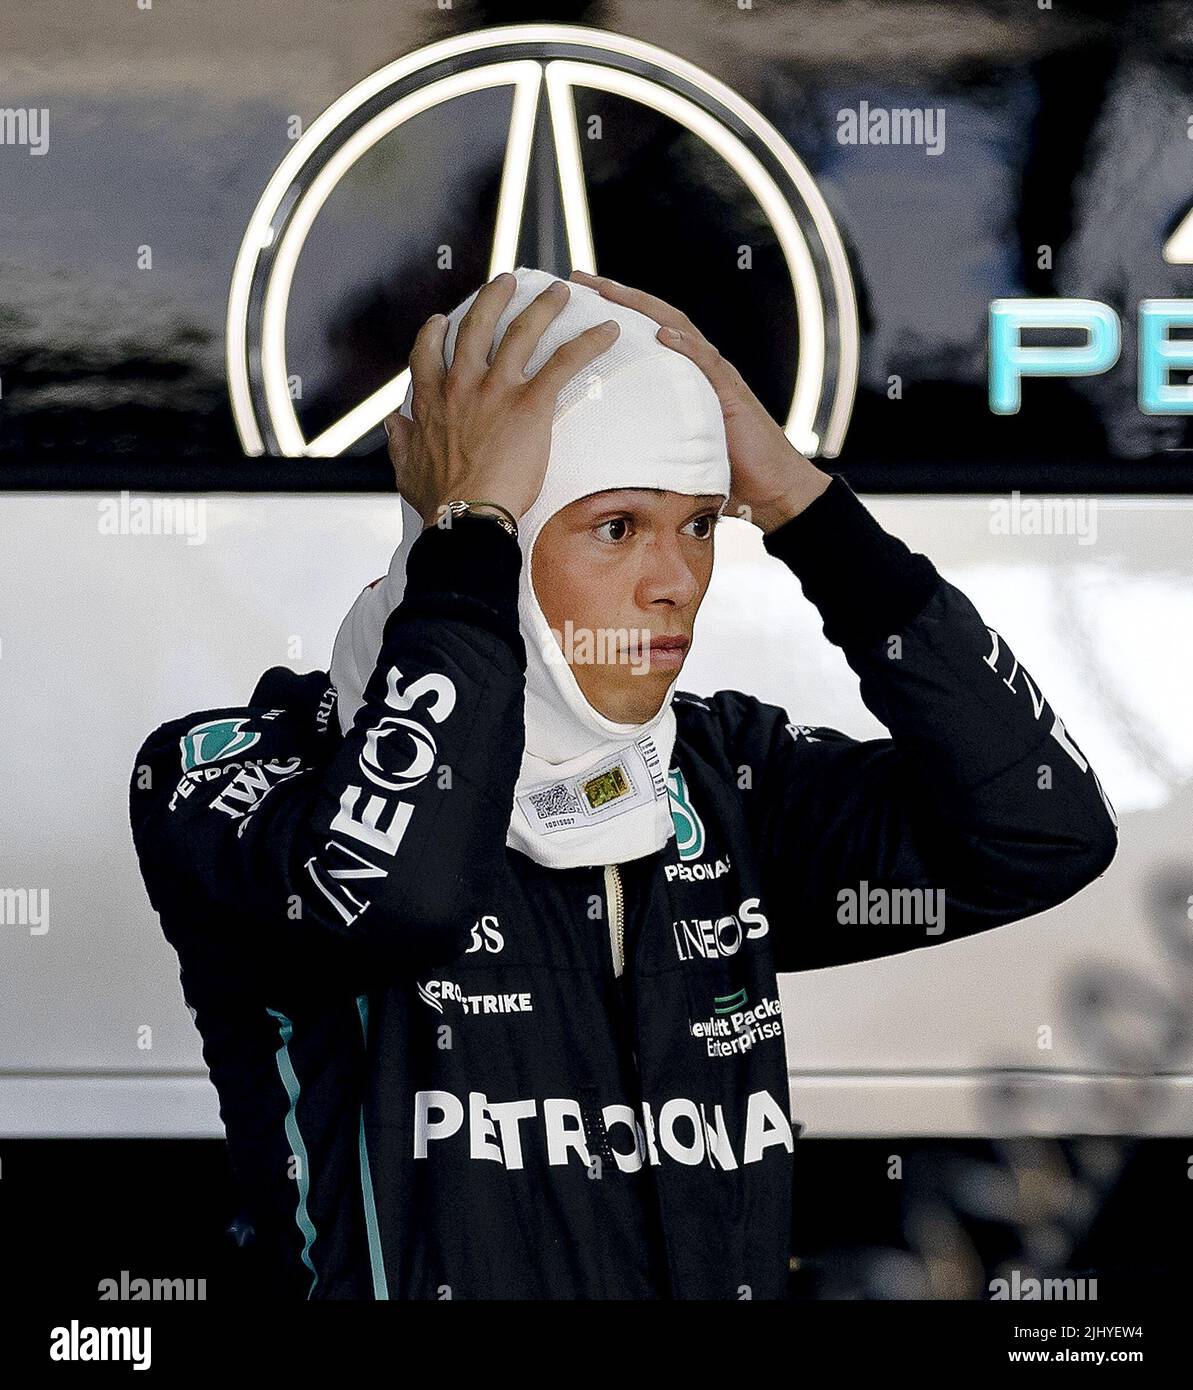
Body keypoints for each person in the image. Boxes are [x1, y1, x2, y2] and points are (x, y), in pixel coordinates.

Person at [129, 266, 1118, 1300]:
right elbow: (398, 899)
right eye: (615, 526)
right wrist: (463, 545)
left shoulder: (722, 777)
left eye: (697, 524)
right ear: (487, 528)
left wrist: (799, 503)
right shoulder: (243, 773)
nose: (674, 579)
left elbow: (1039, 829)